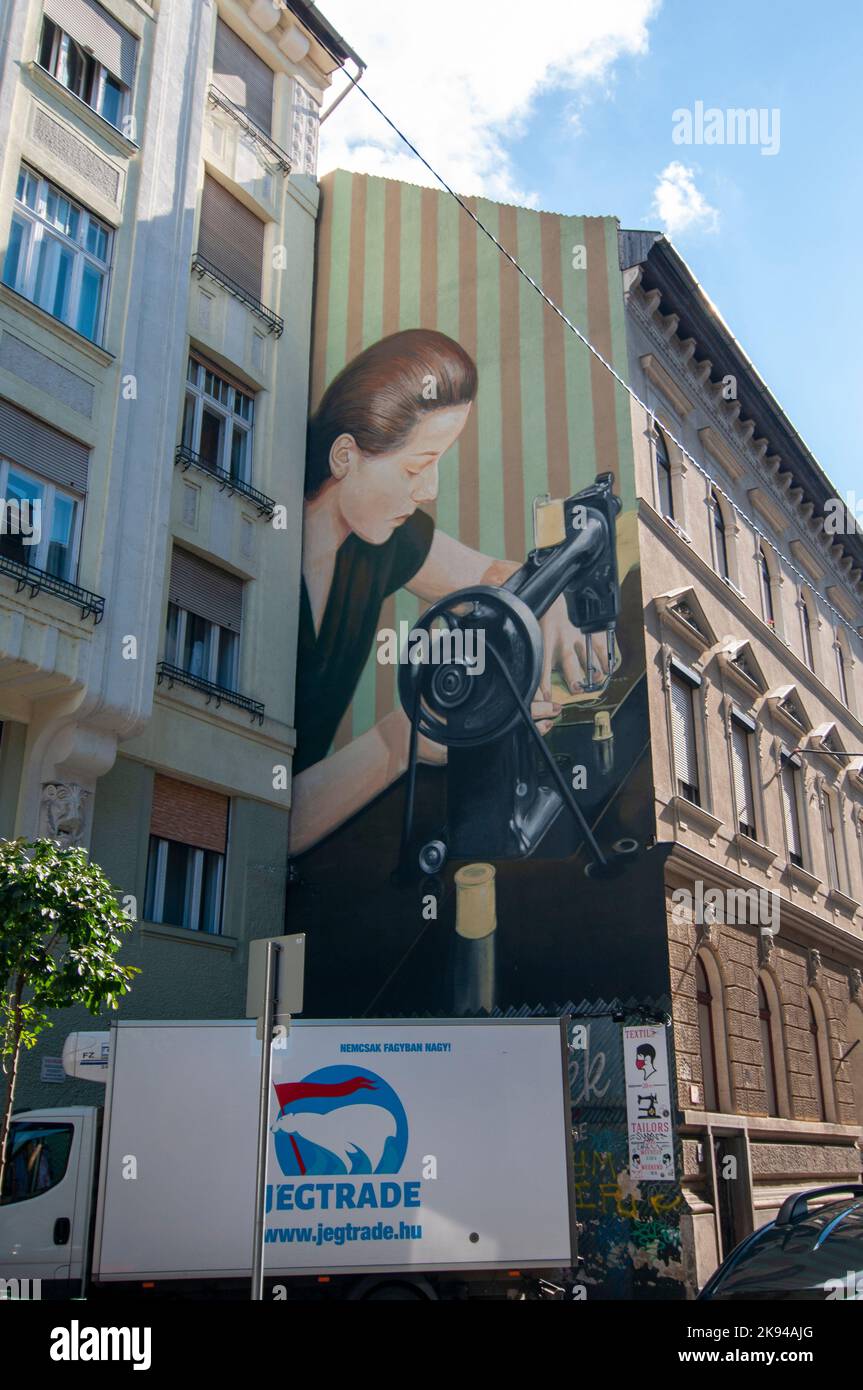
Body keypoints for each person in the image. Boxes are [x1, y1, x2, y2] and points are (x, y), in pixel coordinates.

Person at [290, 328, 609, 855]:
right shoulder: (266, 565)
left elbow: (491, 576)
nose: (429, 489)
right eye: (416, 467)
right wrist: (400, 742)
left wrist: (543, 602)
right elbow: (271, 820)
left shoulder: (383, 540)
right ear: (344, 456)